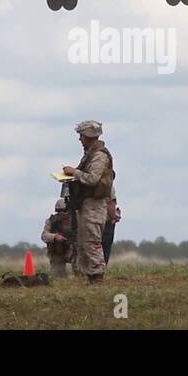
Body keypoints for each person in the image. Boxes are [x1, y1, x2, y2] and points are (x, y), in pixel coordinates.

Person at [62, 120, 115, 284]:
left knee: (92, 240)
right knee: (85, 240)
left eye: (82, 135)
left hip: (95, 204)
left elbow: (92, 179)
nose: (80, 139)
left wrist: (74, 172)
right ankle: (92, 275)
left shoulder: (99, 155)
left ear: (89, 136)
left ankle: (97, 275)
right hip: (87, 202)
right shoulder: (91, 153)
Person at [41, 198, 76, 278]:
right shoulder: (51, 221)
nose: (62, 213)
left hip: (72, 251)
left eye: (64, 210)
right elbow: (44, 236)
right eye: (59, 211)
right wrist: (55, 236)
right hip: (57, 253)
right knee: (58, 278)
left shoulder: (76, 220)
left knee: (80, 271)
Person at [102, 186, 121, 265]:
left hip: (91, 222)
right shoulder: (108, 188)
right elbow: (111, 204)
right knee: (105, 249)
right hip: (106, 223)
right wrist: (114, 217)